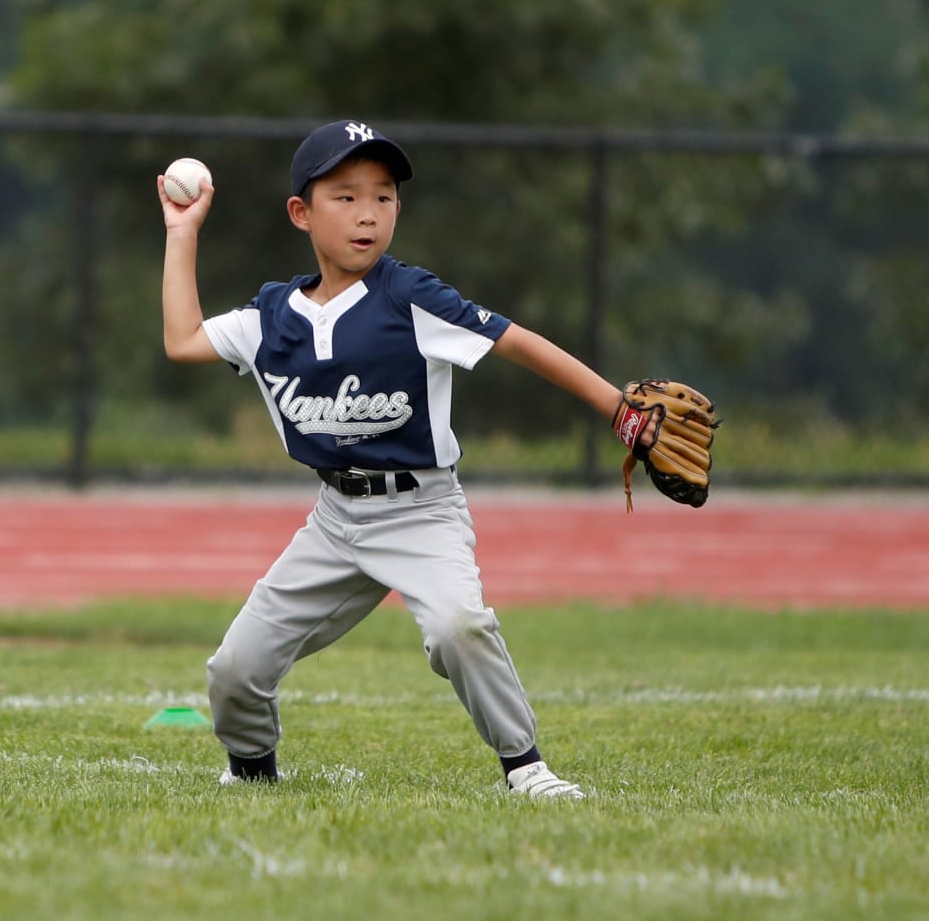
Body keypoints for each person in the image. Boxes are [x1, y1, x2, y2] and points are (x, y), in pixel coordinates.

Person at [158, 119, 652, 799]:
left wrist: (617, 409)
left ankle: (526, 768)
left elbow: (518, 343)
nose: (368, 214)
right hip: (334, 521)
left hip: (422, 511)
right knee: (235, 668)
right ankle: (251, 770)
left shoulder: (409, 296)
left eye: (384, 196)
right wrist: (182, 233)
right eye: (346, 196)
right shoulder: (272, 315)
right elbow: (182, 339)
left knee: (458, 628)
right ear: (301, 212)